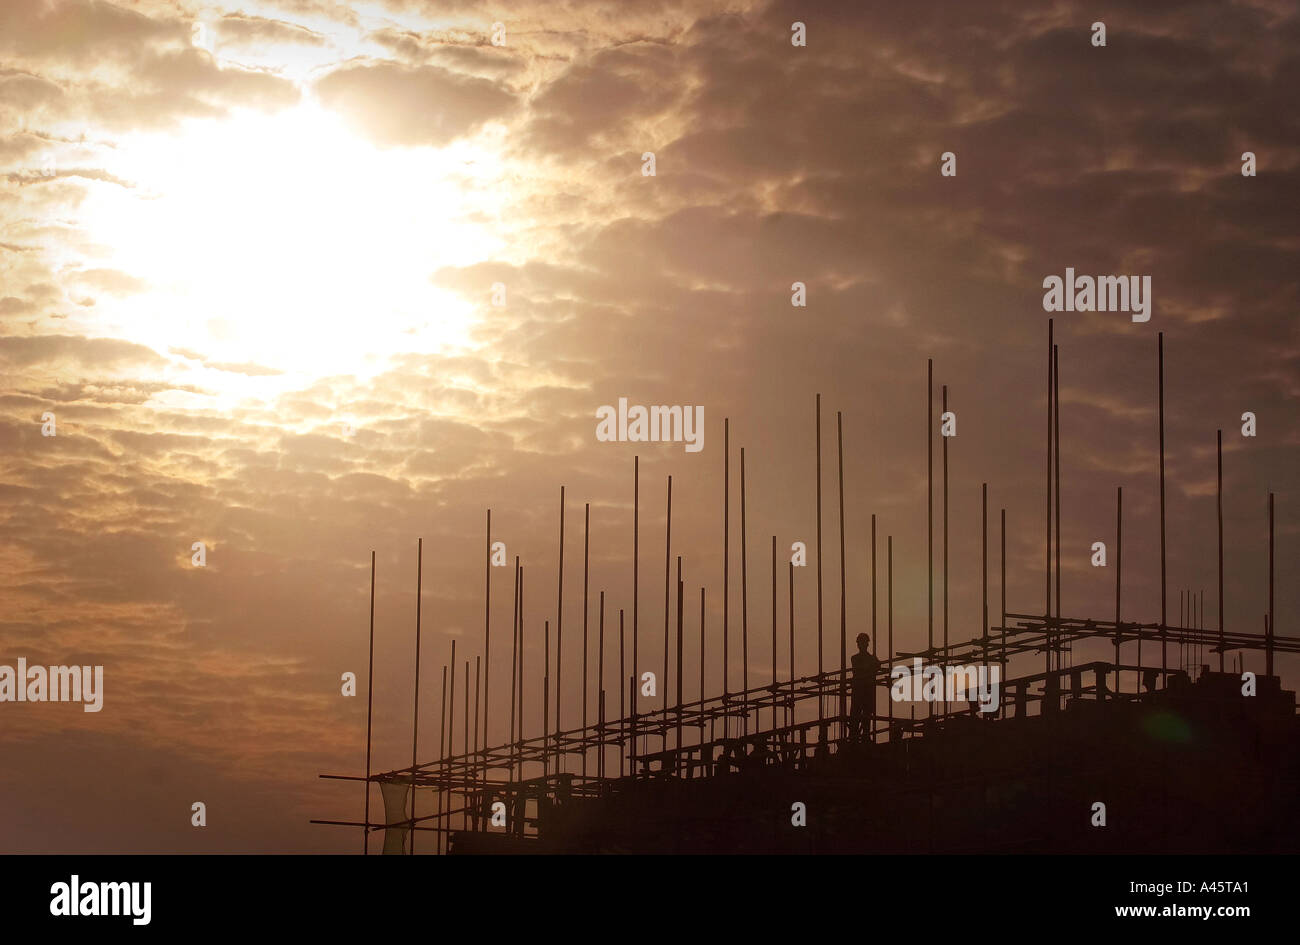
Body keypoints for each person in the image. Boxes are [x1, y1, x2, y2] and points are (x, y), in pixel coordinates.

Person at [849, 633, 881, 740]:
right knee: (856, 716)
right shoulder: (855, 658)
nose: (860, 645)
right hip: (860, 690)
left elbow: (876, 667)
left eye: (861, 642)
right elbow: (862, 668)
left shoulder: (869, 659)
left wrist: (874, 661)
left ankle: (864, 737)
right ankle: (855, 737)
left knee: (865, 715)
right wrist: (873, 661)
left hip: (865, 690)